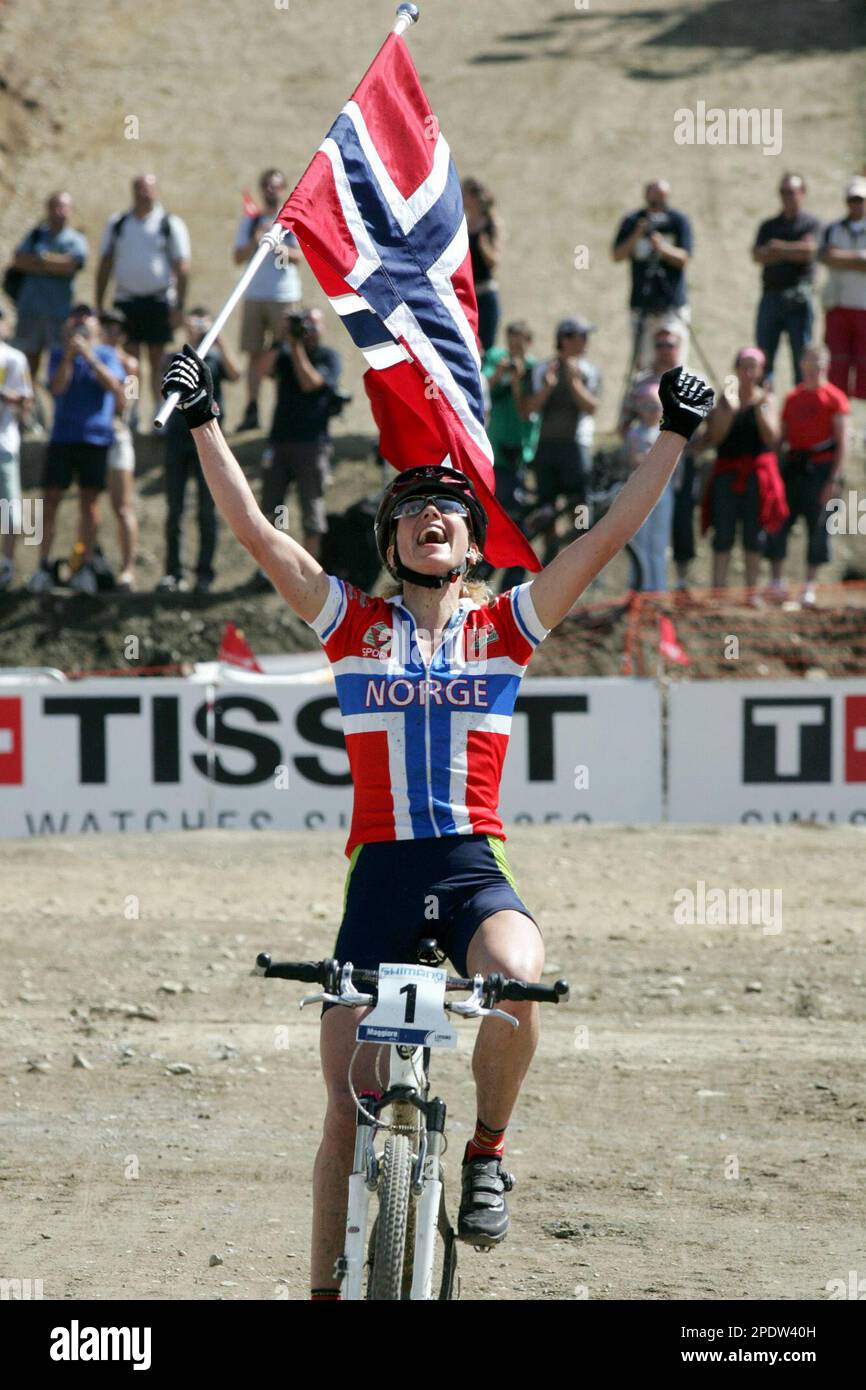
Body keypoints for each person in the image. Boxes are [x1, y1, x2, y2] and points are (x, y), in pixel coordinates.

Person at [161, 341, 713, 1298]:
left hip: (469, 863)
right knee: (347, 1107)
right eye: (413, 511)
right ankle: (325, 1292)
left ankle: (487, 1153)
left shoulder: (506, 624)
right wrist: (207, 416)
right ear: (392, 542)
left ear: (472, 544)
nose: (430, 520)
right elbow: (256, 531)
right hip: (378, 871)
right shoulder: (351, 624)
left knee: (518, 976)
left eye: (448, 513)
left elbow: (607, 536)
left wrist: (672, 432)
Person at [27, 304, 126, 594]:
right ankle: (43, 565)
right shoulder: (58, 354)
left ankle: (83, 564)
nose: (81, 322)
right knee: (50, 501)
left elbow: (116, 389)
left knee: (89, 504)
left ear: (96, 326)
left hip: (95, 438)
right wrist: (71, 356)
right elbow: (56, 388)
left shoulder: (107, 354)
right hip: (62, 437)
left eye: (87, 318)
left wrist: (89, 356)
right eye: (76, 318)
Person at [255, 307, 341, 576]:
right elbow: (260, 371)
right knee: (273, 509)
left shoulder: (328, 357)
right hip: (280, 442)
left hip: (312, 444)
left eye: (313, 325)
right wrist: (279, 339)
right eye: (305, 325)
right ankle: (271, 570)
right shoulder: (284, 352)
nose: (309, 331)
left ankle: (310, 573)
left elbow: (309, 382)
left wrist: (295, 348)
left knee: (311, 511)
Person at [95, 174, 191, 416]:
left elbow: (182, 266)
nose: (143, 194)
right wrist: (99, 302)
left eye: (148, 189)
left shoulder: (169, 224)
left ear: (156, 191)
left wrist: (179, 306)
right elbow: (105, 262)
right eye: (139, 189)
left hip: (158, 301)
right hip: (126, 300)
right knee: (130, 360)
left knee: (157, 360)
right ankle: (131, 410)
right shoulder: (119, 223)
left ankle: (160, 409)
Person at [159, 309, 240, 593]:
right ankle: (173, 573)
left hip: (208, 442)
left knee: (207, 511)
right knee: (175, 510)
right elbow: (163, 376)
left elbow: (235, 373)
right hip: (178, 442)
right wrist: (190, 339)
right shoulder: (174, 359)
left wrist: (218, 340)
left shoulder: (216, 358)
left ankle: (204, 574)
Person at [697, 347, 787, 599]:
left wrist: (759, 408)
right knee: (723, 531)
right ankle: (718, 589)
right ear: (736, 369)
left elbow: (772, 439)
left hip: (757, 477)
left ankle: (751, 592)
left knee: (753, 534)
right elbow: (715, 438)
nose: (748, 372)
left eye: (753, 366)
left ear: (760, 371)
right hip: (727, 474)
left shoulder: (767, 401)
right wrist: (729, 410)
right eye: (744, 366)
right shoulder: (725, 400)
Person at [765, 345, 849, 607]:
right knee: (779, 522)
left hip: (821, 469)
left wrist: (833, 479)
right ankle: (776, 582)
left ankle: (809, 586)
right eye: (810, 365)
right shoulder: (793, 397)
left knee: (818, 526)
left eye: (819, 365)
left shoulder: (835, 398)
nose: (814, 371)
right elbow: (782, 437)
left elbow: (842, 441)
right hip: (793, 467)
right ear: (802, 365)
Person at [620, 325, 695, 590]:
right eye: (660, 345)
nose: (665, 351)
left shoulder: (687, 381)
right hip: (640, 475)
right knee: (638, 536)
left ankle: (659, 589)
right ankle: (637, 588)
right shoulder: (641, 381)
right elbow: (625, 423)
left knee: (662, 539)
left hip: (672, 474)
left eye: (670, 345)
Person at [525, 317, 601, 564]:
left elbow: (591, 407)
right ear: (566, 339)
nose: (586, 341)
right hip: (547, 447)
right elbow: (528, 410)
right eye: (582, 336)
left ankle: (579, 555)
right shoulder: (542, 369)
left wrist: (574, 382)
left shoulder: (588, 371)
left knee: (579, 504)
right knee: (547, 507)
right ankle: (551, 561)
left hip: (575, 448)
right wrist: (548, 388)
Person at [234, 169, 303, 432]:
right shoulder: (251, 222)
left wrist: (279, 247)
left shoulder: (289, 221)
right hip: (254, 294)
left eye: (275, 186)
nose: (270, 191)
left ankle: (285, 411)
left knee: (285, 354)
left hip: (284, 295)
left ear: (283, 189)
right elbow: (238, 257)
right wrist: (255, 241)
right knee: (253, 352)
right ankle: (252, 408)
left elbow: (299, 257)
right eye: (266, 186)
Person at [11, 192, 88, 414]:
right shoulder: (36, 235)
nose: (59, 212)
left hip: (58, 313)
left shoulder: (75, 239)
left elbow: (72, 264)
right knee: (27, 362)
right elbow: (18, 260)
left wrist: (41, 261)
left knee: (58, 364)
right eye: (55, 207)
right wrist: (54, 263)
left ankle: (58, 412)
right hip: (31, 310)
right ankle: (27, 411)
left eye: (64, 207)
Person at [611, 178, 692, 370]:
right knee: (645, 364)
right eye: (654, 201)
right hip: (642, 305)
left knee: (675, 364)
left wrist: (662, 248)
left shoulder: (678, 220)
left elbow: (684, 258)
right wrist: (637, 234)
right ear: (646, 197)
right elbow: (617, 255)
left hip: (672, 306)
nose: (658, 206)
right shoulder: (633, 221)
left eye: (663, 201)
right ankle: (648, 399)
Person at [482, 321, 538, 589]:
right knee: (501, 520)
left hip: (521, 454)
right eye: (512, 339)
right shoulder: (495, 358)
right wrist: (502, 371)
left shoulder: (534, 368)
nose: (516, 346)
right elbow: (484, 391)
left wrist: (517, 381)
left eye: (521, 340)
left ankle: (505, 583)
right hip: (496, 454)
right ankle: (483, 578)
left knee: (515, 523)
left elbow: (527, 409)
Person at [752, 173, 820, 385]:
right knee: (764, 358)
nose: (787, 197)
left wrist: (778, 248)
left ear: (803, 194)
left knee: (802, 361)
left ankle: (801, 408)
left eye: (791, 192)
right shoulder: (769, 225)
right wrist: (793, 250)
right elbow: (758, 255)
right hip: (771, 297)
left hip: (799, 300)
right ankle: (764, 409)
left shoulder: (811, 223)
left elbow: (809, 252)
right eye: (783, 192)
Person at [98, 310, 139, 589]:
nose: (111, 335)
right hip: (90, 435)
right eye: (107, 329)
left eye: (116, 330)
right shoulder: (93, 356)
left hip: (117, 432)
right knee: (89, 504)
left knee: (122, 506)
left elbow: (128, 402)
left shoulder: (128, 363)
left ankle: (128, 568)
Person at [819, 177, 866, 401]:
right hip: (838, 306)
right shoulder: (833, 229)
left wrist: (841, 257)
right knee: (837, 368)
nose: (856, 204)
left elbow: (835, 258)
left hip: (864, 308)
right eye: (852, 199)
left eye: (860, 199)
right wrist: (859, 259)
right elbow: (826, 257)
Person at [0, 305, 34, 590]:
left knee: (10, 509)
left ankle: (7, 564)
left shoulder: (14, 358)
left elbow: (25, 403)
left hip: (4, 441)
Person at [626, 389, 670, 591]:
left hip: (663, 491)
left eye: (656, 407)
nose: (652, 412)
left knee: (658, 543)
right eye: (648, 407)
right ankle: (639, 589)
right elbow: (632, 459)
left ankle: (657, 589)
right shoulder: (635, 432)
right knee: (639, 542)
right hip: (638, 490)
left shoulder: (666, 433)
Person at [462, 178, 501, 352]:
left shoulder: (490, 224)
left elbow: (494, 262)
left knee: (485, 345)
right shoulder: (462, 223)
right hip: (466, 292)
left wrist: (483, 247)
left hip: (484, 294)